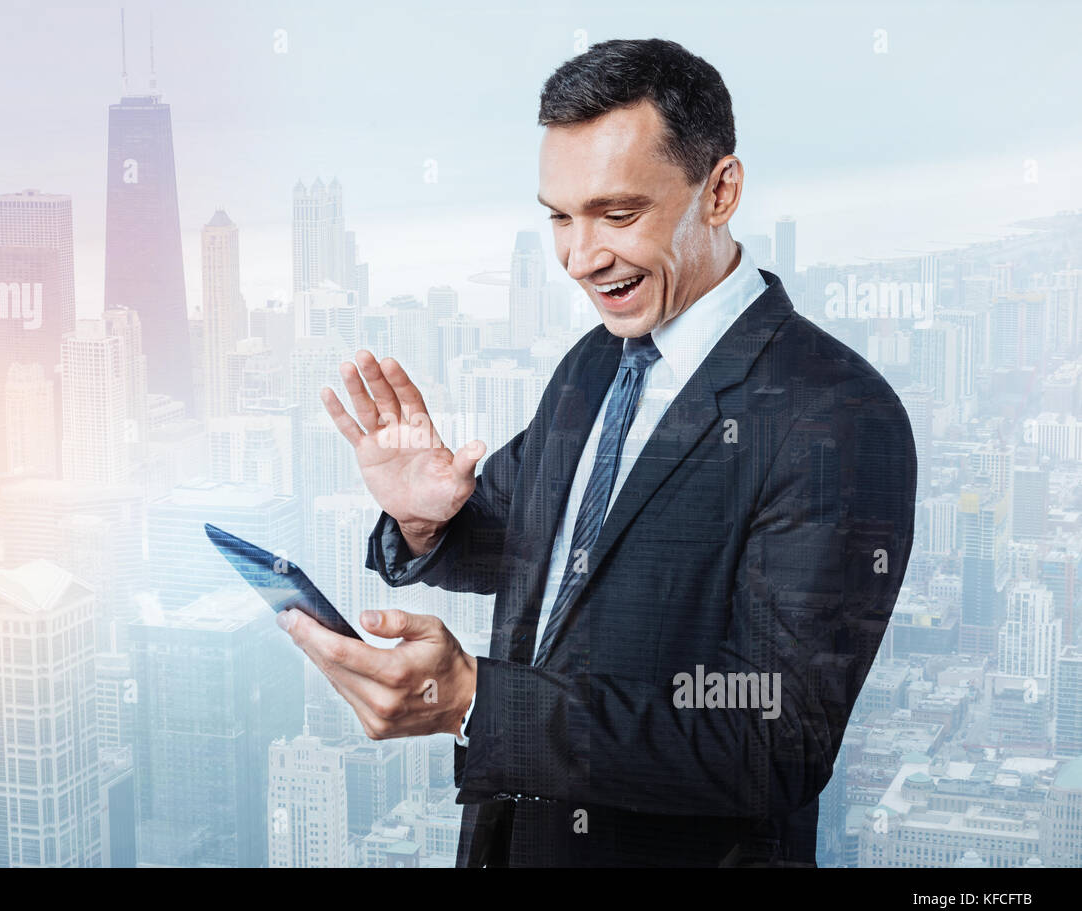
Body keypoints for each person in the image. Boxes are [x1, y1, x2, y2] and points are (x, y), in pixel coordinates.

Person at [276, 37, 917, 866]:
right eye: (559, 217)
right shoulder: (594, 363)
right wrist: (426, 520)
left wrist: (477, 700)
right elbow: (538, 551)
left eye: (618, 214)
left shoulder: (835, 413)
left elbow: (773, 744)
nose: (581, 257)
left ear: (719, 191)